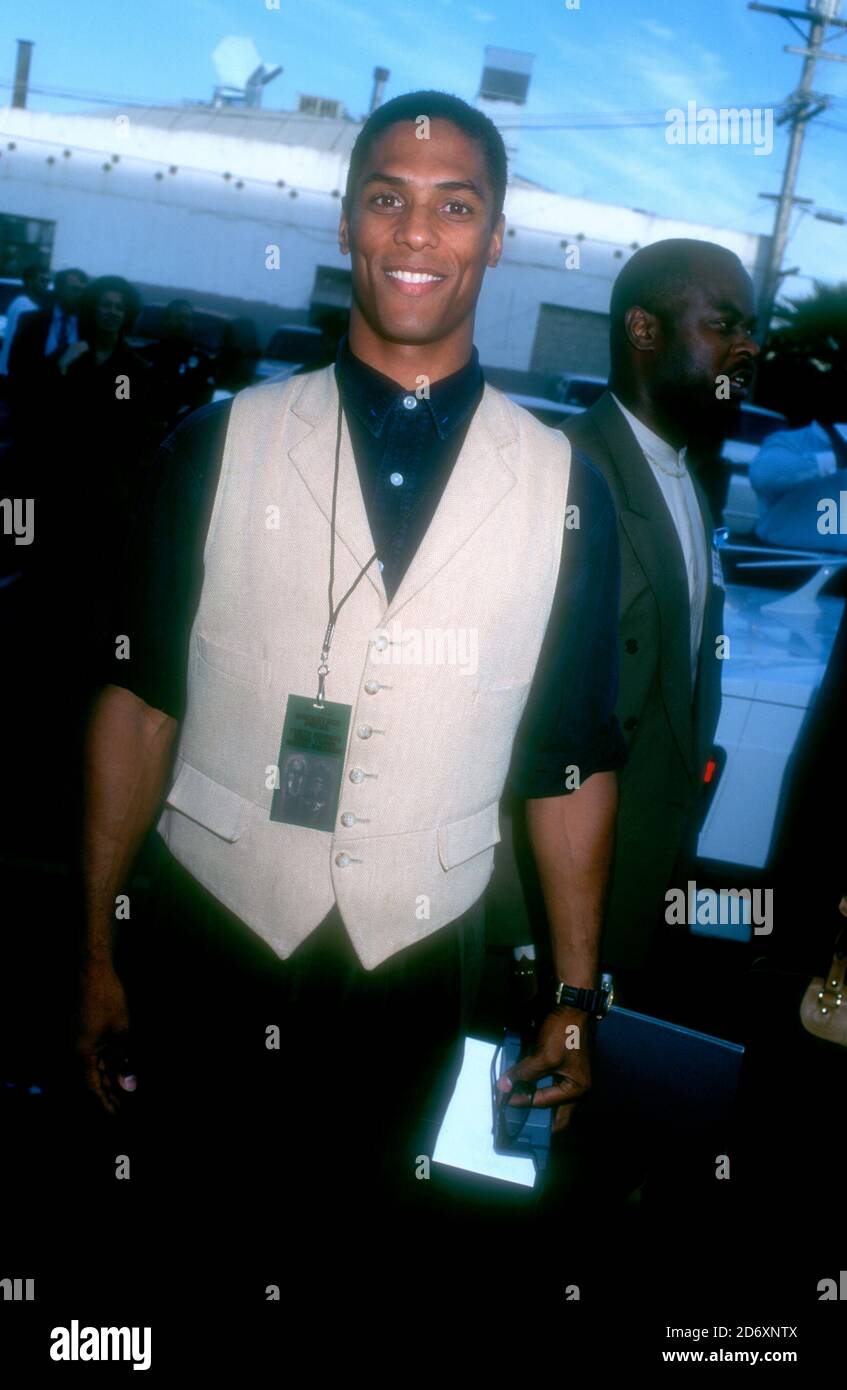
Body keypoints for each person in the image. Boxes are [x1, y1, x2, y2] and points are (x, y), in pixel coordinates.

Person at [76, 91, 625, 1260]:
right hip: (207, 935)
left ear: (495, 234)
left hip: (417, 967)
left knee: (366, 1255)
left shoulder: (566, 487)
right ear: (344, 223)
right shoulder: (216, 440)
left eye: (454, 205)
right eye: (388, 197)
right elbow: (137, 706)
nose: (417, 233)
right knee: (169, 1239)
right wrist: (92, 943)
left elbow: (571, 760)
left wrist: (574, 1002)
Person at [512, 239, 759, 993]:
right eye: (723, 325)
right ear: (643, 331)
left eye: (751, 329)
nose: (746, 348)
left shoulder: (685, 477)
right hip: (537, 937)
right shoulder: (562, 476)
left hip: (630, 905)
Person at [141, 298, 215, 441]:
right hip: (143, 434)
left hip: (182, 436)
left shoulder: (203, 363)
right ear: (166, 322)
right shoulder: (145, 354)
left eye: (188, 319)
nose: (184, 322)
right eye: (178, 318)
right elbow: (123, 389)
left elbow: (204, 403)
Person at [0, 262, 51, 379]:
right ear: (29, 281)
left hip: (6, 367)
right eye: (42, 281)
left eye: (48, 281)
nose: (46, 285)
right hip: (14, 370)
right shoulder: (28, 307)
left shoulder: (19, 301)